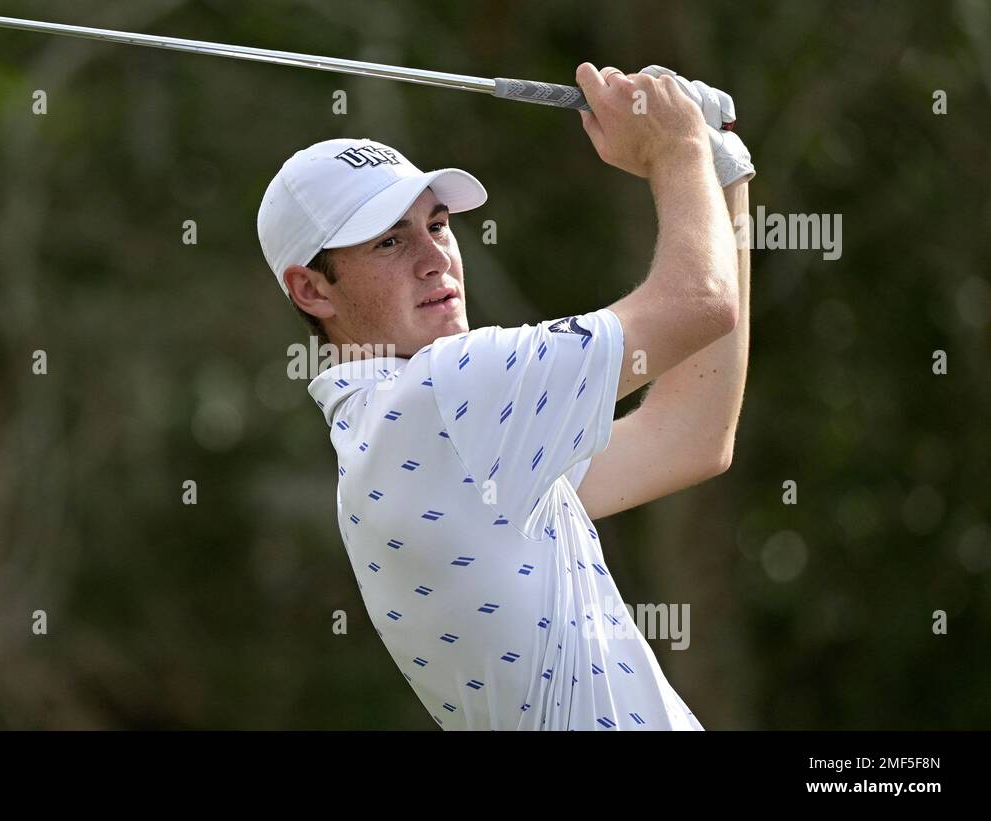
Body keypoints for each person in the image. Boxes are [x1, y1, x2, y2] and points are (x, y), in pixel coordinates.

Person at [256, 63, 754, 730]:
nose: (435, 257)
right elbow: (699, 303)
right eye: (390, 241)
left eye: (437, 224)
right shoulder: (439, 394)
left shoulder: (420, 431)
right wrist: (679, 149)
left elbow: (691, 437)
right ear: (313, 290)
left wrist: (722, 177)